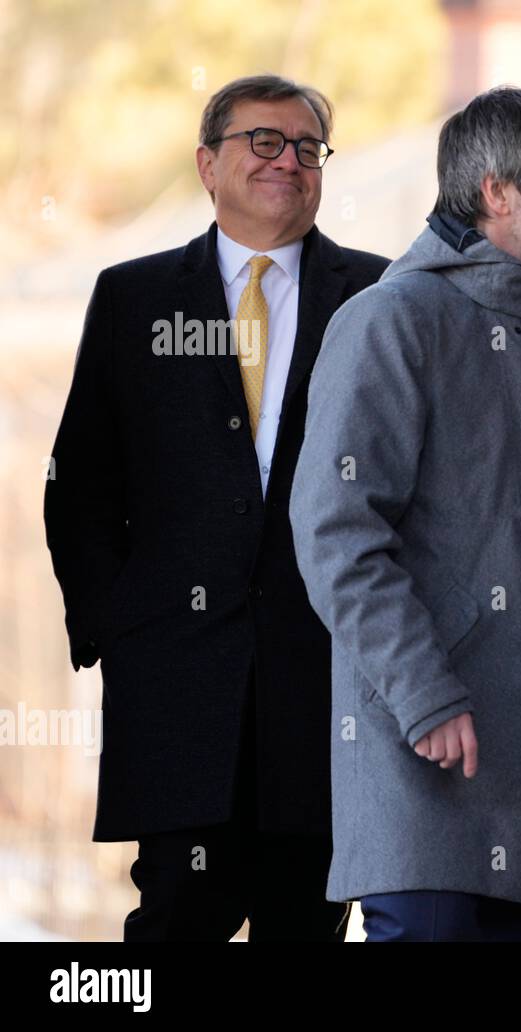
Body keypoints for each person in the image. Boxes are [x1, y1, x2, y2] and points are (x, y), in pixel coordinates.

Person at [289, 86, 521, 942]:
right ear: (497, 191)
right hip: (428, 789)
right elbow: (337, 535)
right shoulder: (389, 323)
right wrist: (423, 694)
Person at [43, 74, 389, 940]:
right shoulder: (135, 296)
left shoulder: (380, 300)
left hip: (326, 693)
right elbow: (80, 482)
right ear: (208, 163)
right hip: (177, 691)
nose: (289, 160)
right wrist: (116, 623)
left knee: (308, 925)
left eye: (308, 146)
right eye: (263, 141)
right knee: (172, 921)